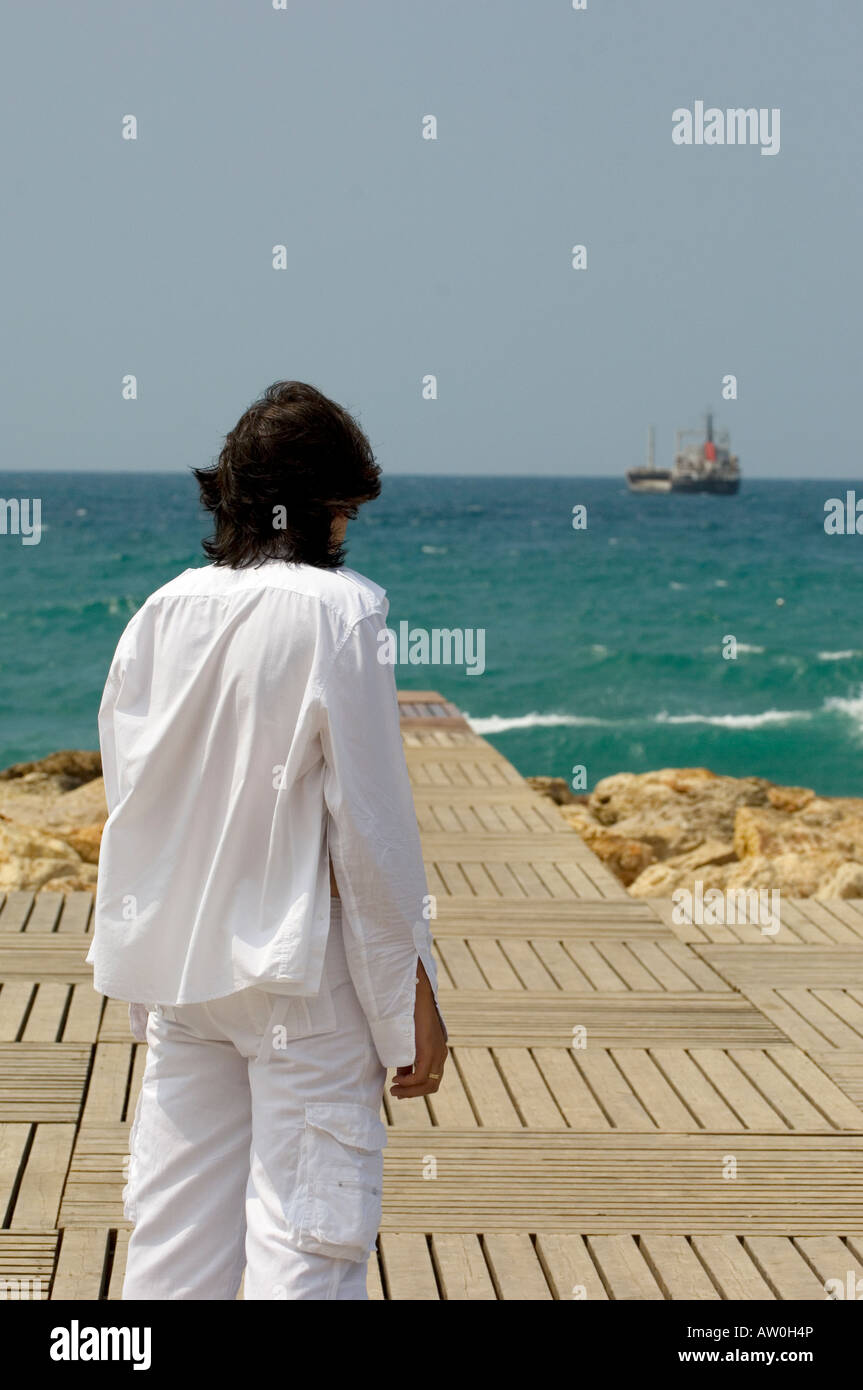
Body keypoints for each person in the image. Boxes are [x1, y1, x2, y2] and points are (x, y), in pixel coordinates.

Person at [88, 380, 448, 1300]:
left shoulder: (156, 614)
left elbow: (133, 805)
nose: (347, 530)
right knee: (306, 1249)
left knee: (171, 1250)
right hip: (301, 981)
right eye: (345, 510)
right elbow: (371, 835)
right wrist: (409, 997)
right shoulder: (342, 614)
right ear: (326, 507)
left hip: (181, 980)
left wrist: (143, 979)